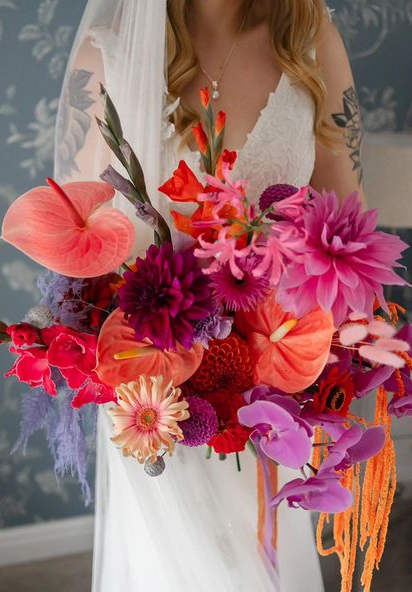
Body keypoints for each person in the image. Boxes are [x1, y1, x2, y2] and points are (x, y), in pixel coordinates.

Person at [55, 1, 364, 590]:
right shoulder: (109, 56)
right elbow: (78, 252)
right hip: (154, 402)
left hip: (276, 396)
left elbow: (346, 226)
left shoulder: (310, 39)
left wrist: (348, 353)